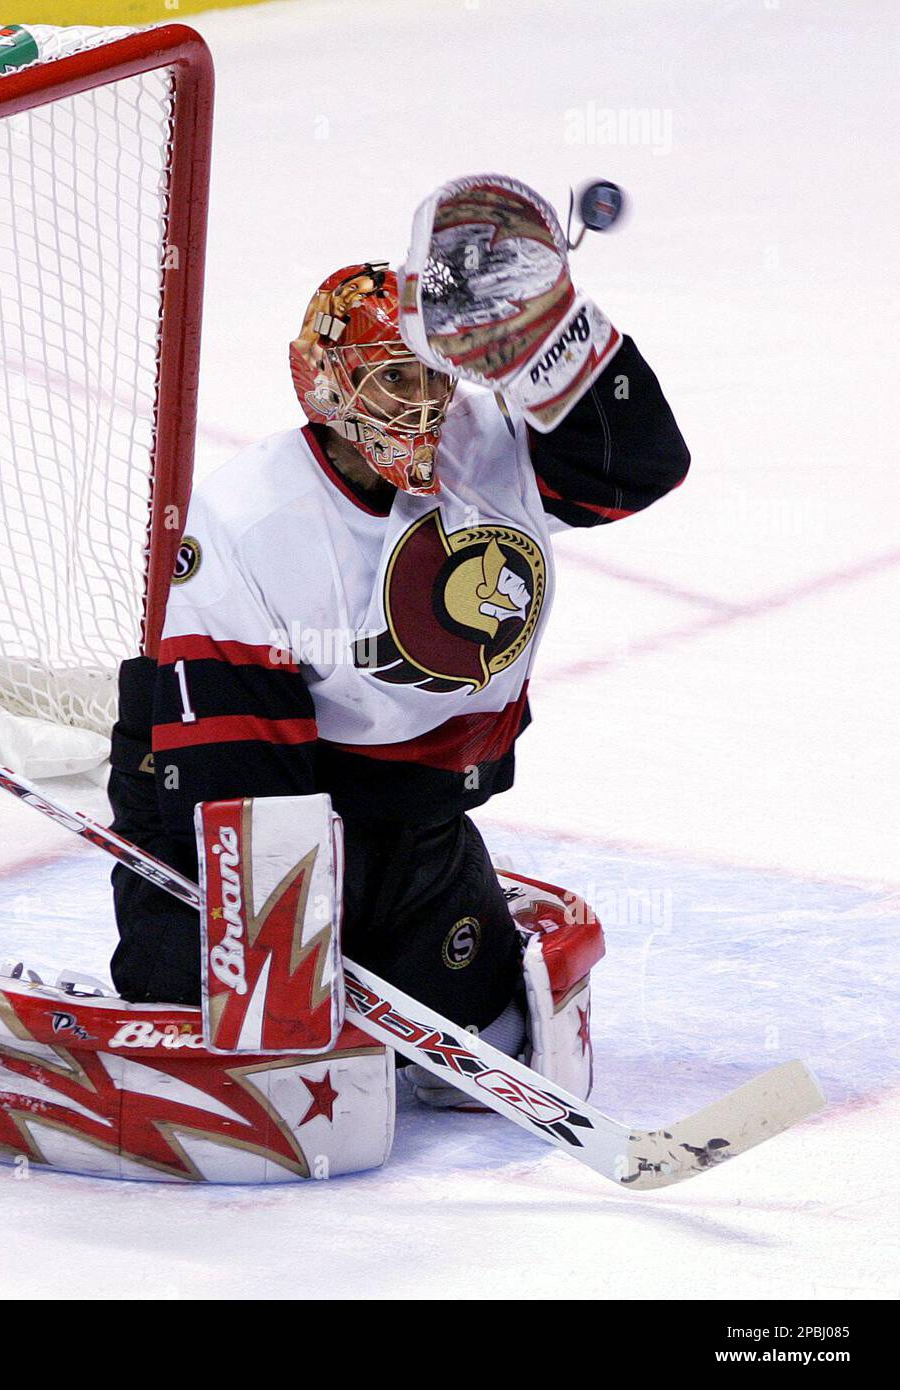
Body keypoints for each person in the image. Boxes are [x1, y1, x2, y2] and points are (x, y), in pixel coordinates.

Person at [108, 257, 689, 1080]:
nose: (421, 406)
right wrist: (286, 936)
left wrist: (565, 328)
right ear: (325, 385)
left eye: (435, 377)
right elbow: (238, 775)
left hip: (410, 805)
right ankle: (193, 947)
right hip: (225, 791)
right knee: (255, 1039)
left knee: (481, 1026)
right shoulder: (250, 518)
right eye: (391, 381)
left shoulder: (485, 446)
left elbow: (643, 464)